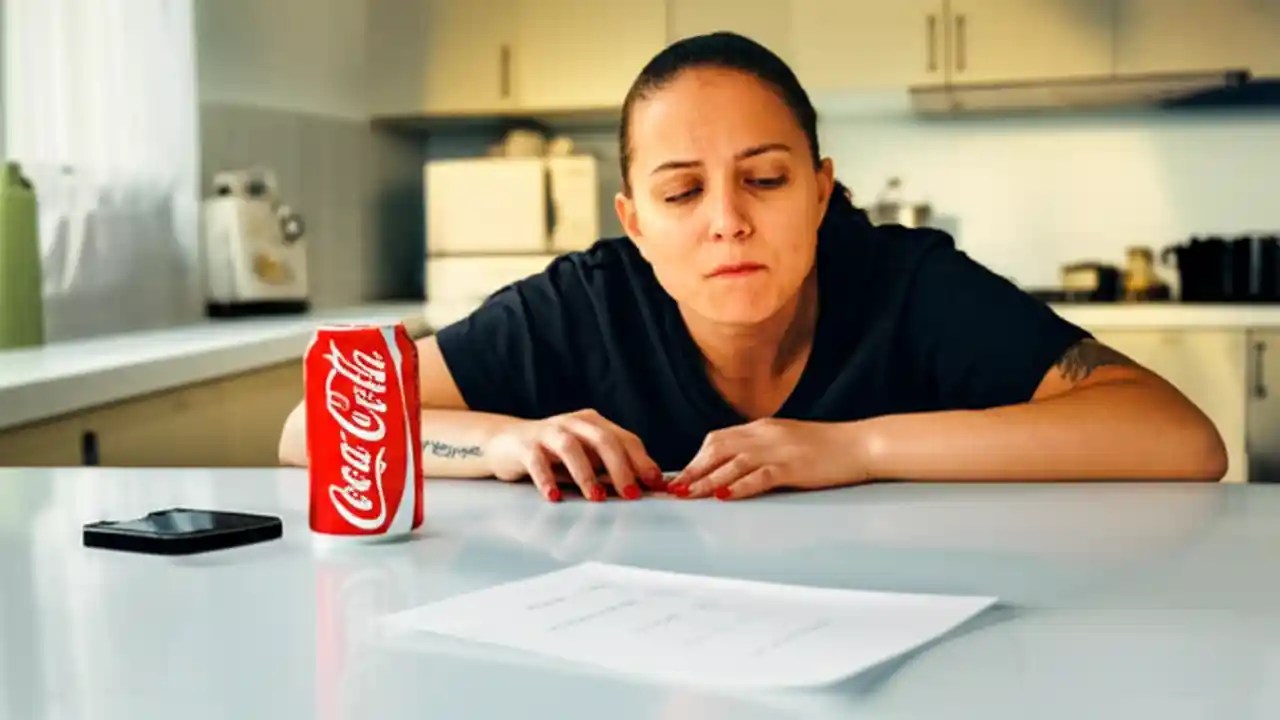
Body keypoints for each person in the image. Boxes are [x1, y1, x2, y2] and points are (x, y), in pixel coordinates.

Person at [278, 32, 1226, 501]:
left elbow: (1182, 441)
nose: (728, 222)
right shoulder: (583, 303)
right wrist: (498, 445)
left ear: (820, 191)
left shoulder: (906, 283)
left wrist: (857, 448)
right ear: (634, 223)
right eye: (682, 193)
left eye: (765, 180)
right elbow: (308, 429)